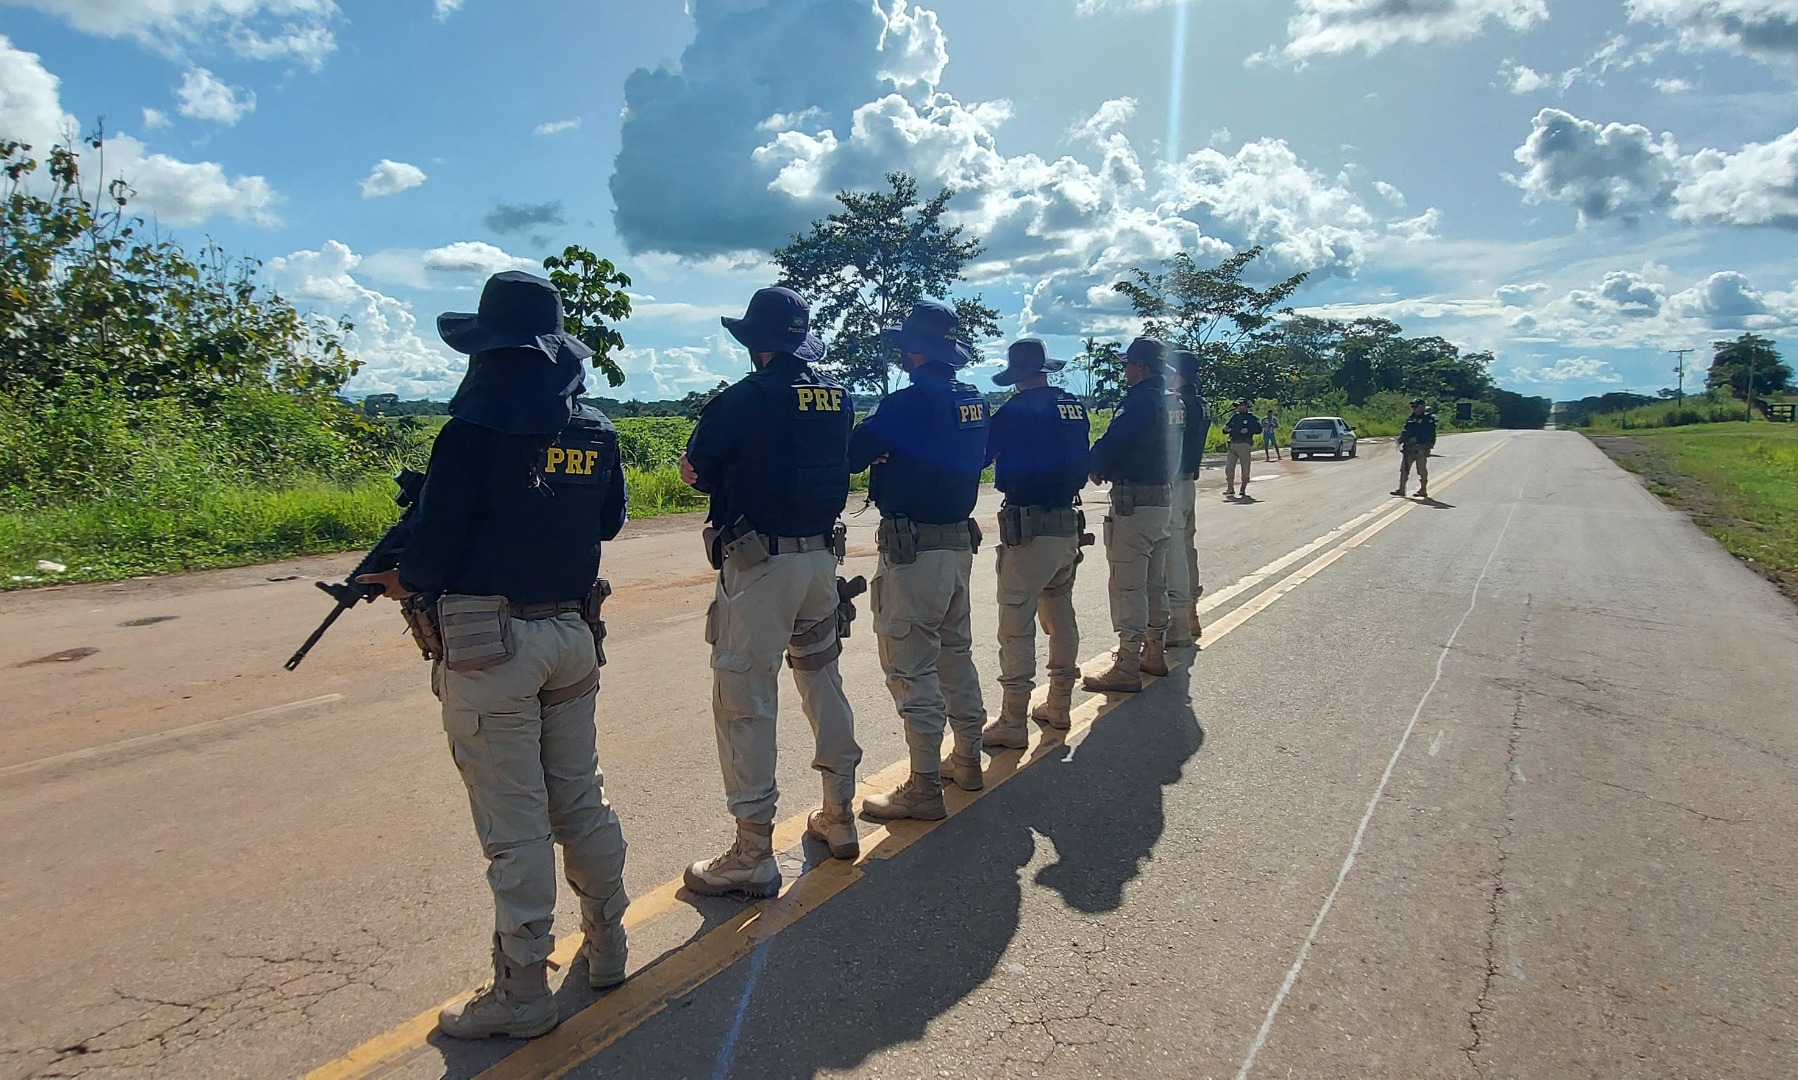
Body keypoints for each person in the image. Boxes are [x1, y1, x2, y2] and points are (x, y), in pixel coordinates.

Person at [358, 271, 630, 1040]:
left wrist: (395, 579)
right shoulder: (596, 427)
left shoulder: (471, 431)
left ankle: (522, 993)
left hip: (489, 647)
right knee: (580, 798)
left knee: (514, 822)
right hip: (573, 637)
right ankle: (608, 947)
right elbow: (607, 520)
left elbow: (435, 552)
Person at [678, 287, 863, 900]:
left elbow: (696, 467)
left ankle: (753, 852)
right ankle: (840, 815)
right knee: (821, 680)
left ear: (754, 344)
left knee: (743, 698)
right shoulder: (835, 394)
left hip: (760, 567)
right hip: (819, 559)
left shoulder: (744, 399)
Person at [848, 300, 991, 820]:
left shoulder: (907, 404)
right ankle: (968, 760)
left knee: (911, 666)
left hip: (914, 552)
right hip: (957, 545)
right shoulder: (972, 399)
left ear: (914, 352)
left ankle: (924, 786)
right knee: (955, 655)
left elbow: (852, 453)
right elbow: (983, 454)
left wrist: (893, 456)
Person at [981, 339, 1090, 748]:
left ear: (1017, 375)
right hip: (1067, 523)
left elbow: (982, 456)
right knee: (1060, 613)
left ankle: (1012, 721)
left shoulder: (1015, 410)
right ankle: (1059, 704)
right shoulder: (1072, 405)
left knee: (1016, 626)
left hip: (1028, 528)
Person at [1083, 336, 1173, 693]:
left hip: (1133, 502)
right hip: (1161, 498)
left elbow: (1117, 440)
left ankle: (1128, 663)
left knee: (1128, 585)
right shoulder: (1171, 401)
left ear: (1140, 367)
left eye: (1127, 364)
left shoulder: (1138, 402)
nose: (1124, 370)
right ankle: (1154, 651)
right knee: (1155, 581)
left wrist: (1096, 464)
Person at [1165, 350, 1205, 648]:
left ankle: (1178, 621)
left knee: (1172, 552)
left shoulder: (1180, 404)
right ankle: (1191, 615)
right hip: (1190, 481)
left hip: (1174, 483)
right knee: (1186, 547)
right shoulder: (1200, 403)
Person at [1393, 398, 1437, 499]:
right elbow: (1406, 430)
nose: (1413, 408)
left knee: (1421, 470)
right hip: (1408, 448)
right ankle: (1401, 489)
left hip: (1420, 448)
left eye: (1415, 406)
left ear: (1422, 407)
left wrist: (1425, 444)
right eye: (1412, 406)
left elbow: (1429, 434)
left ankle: (1423, 490)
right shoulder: (1411, 418)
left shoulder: (1428, 419)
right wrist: (1401, 439)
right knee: (1404, 469)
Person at [1222, 400, 1260, 499]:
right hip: (1233, 444)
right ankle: (1230, 488)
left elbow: (1259, 429)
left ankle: (1243, 488)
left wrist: (1249, 430)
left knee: (1245, 467)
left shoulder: (1251, 418)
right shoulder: (1235, 417)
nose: (1240, 407)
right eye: (1239, 406)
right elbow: (1226, 428)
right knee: (1229, 468)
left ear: (1246, 406)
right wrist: (1226, 430)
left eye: (1242, 405)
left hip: (1244, 444)